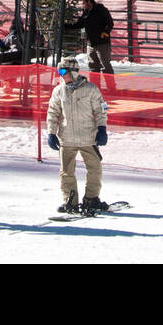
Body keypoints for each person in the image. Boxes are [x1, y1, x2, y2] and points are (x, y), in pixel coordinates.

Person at [46, 56, 109, 215]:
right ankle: (70, 201)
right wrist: (51, 133)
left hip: (88, 137)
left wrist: (102, 128)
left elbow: (101, 110)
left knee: (95, 169)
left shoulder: (91, 89)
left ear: (73, 72)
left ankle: (91, 198)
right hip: (67, 139)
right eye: (58, 71)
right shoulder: (58, 91)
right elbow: (53, 112)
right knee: (66, 172)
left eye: (63, 71)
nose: (60, 75)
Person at [68, 0, 115, 87]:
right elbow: (80, 24)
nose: (82, 5)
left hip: (102, 43)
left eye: (83, 3)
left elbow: (110, 22)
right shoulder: (86, 12)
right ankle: (95, 86)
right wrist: (66, 26)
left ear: (89, 2)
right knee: (92, 66)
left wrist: (106, 31)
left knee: (105, 65)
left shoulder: (100, 9)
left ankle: (111, 87)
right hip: (90, 43)